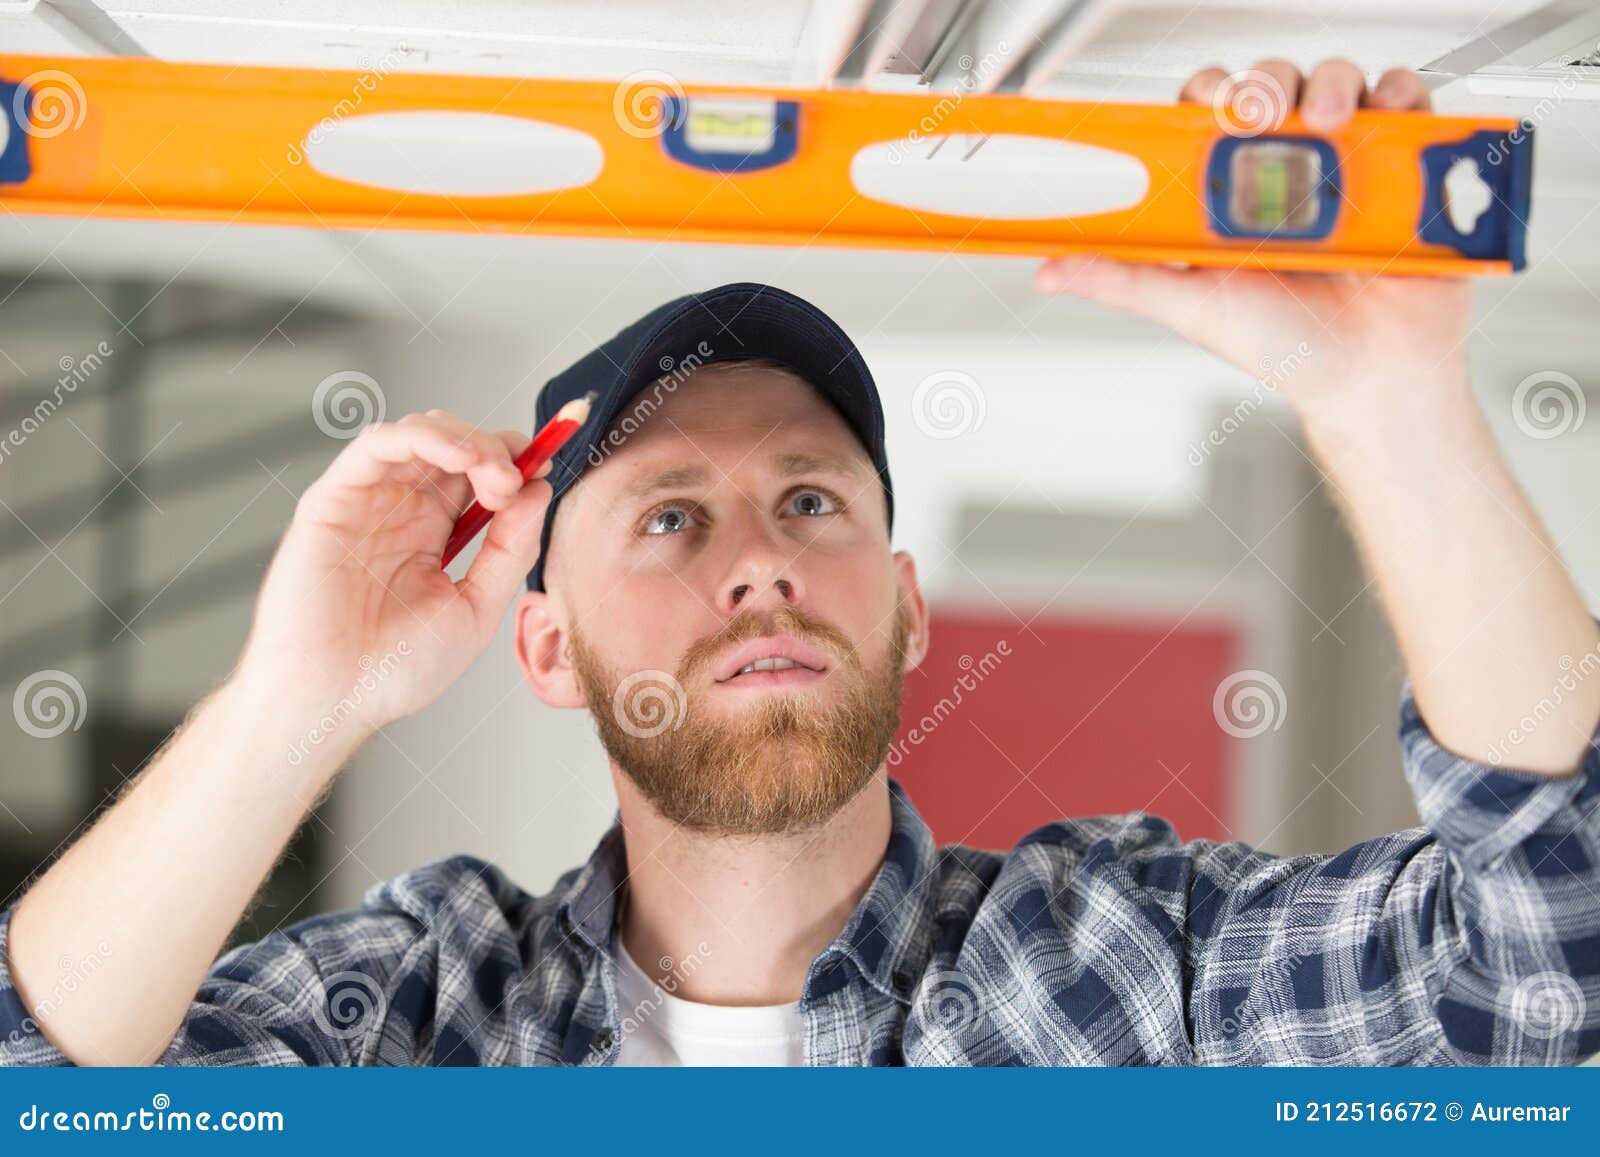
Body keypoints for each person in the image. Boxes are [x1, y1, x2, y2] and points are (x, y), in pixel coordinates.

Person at [2, 59, 1597, 1068]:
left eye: (813, 504)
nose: (759, 564)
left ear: (905, 611)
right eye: (672, 518)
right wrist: (297, 701)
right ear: (544, 647)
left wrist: (1388, 406)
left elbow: (1546, 984)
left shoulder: (1129, 970)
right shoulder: (421, 1012)